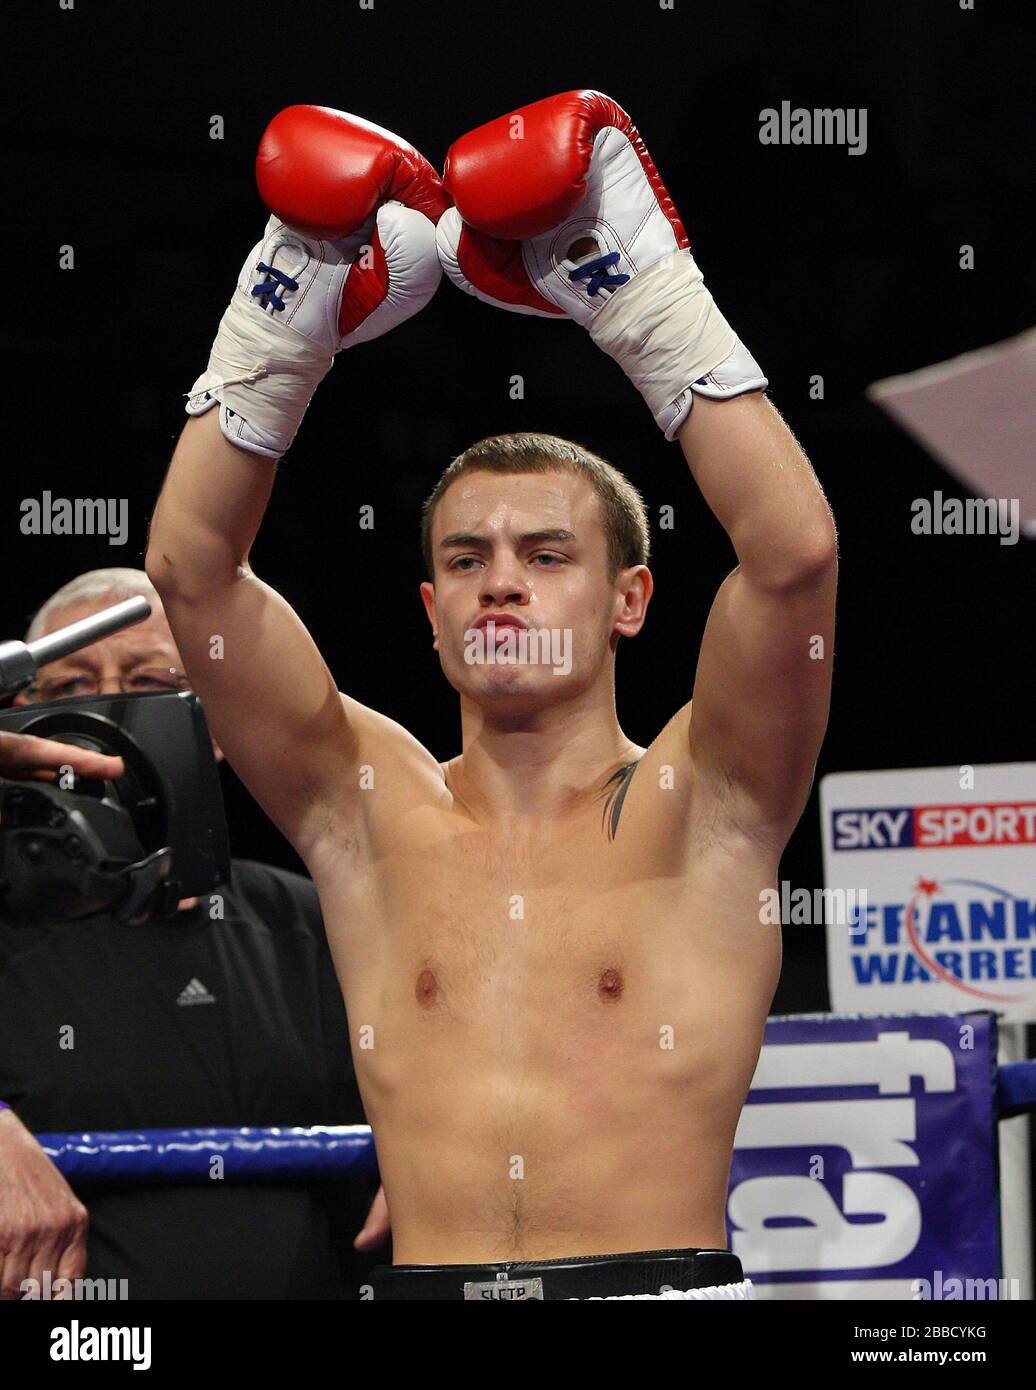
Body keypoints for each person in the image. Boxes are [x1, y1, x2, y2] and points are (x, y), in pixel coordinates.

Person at [147, 94, 837, 1300]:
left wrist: (645, 299)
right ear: (430, 608)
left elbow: (792, 558)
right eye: (466, 560)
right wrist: (286, 315)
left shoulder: (707, 797)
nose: (500, 585)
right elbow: (191, 576)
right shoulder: (365, 809)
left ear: (630, 599)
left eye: (546, 555)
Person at [0, 568, 386, 1300]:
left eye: (147, 680)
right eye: (68, 686)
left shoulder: (317, 922)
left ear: (213, 722)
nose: (104, 703)